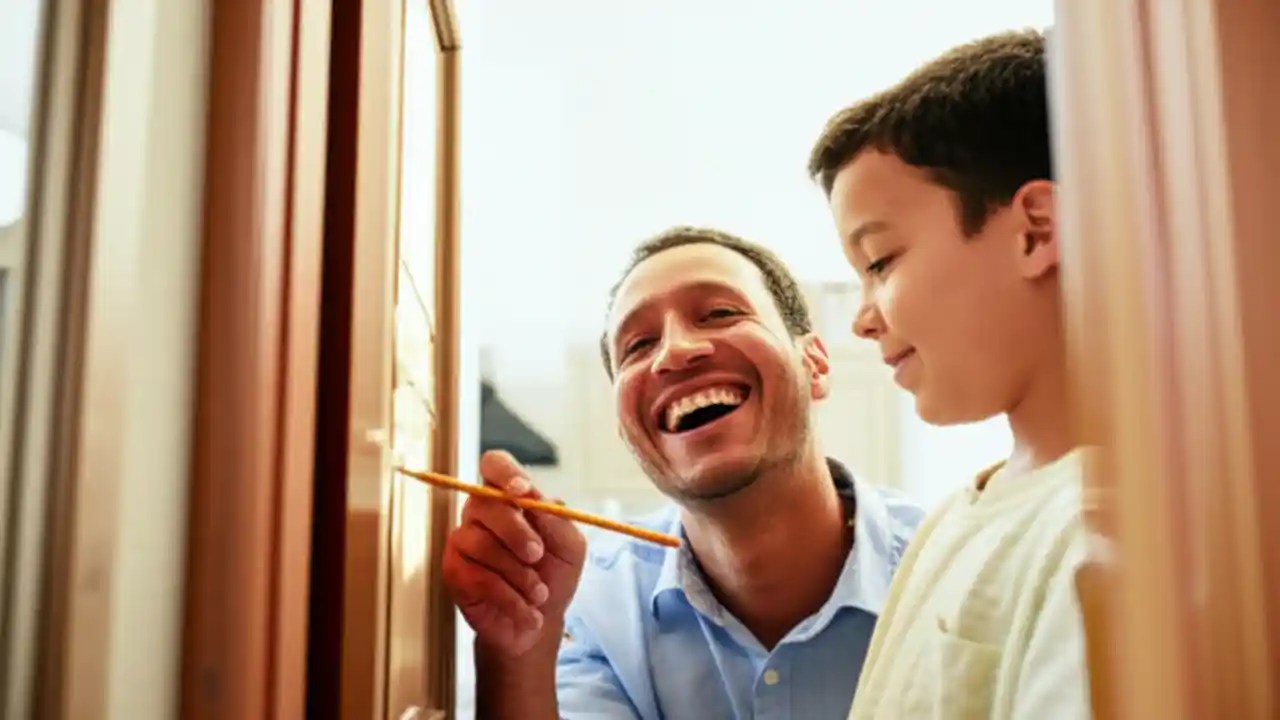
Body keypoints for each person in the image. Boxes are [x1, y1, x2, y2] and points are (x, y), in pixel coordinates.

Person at [443, 227, 924, 719]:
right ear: (626, 425)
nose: (674, 351)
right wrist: (519, 652)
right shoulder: (584, 608)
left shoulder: (954, 570)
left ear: (814, 365)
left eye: (720, 313)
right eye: (637, 345)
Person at [806, 29, 1092, 718]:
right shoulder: (958, 514)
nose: (863, 319)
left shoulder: (1103, 526)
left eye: (880, 263)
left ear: (1035, 229)